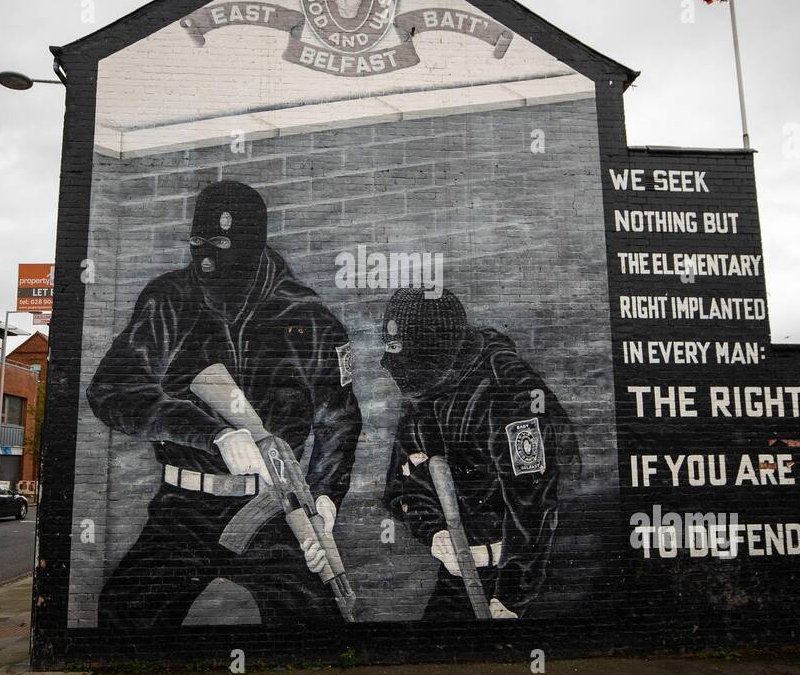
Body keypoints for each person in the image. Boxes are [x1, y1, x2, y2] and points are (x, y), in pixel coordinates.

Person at [87, 180, 361, 628]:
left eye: (219, 242)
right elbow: (111, 391)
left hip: (274, 505)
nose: (205, 255)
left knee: (316, 622)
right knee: (123, 612)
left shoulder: (307, 317)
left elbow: (339, 418)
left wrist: (325, 500)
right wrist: (214, 433)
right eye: (197, 242)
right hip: (183, 508)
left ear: (253, 242)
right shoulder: (169, 301)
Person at [380, 288, 579, 621]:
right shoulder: (422, 392)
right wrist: (436, 534)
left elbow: (535, 503)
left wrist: (513, 597)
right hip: (467, 563)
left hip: (531, 567)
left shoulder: (508, 394)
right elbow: (402, 485)